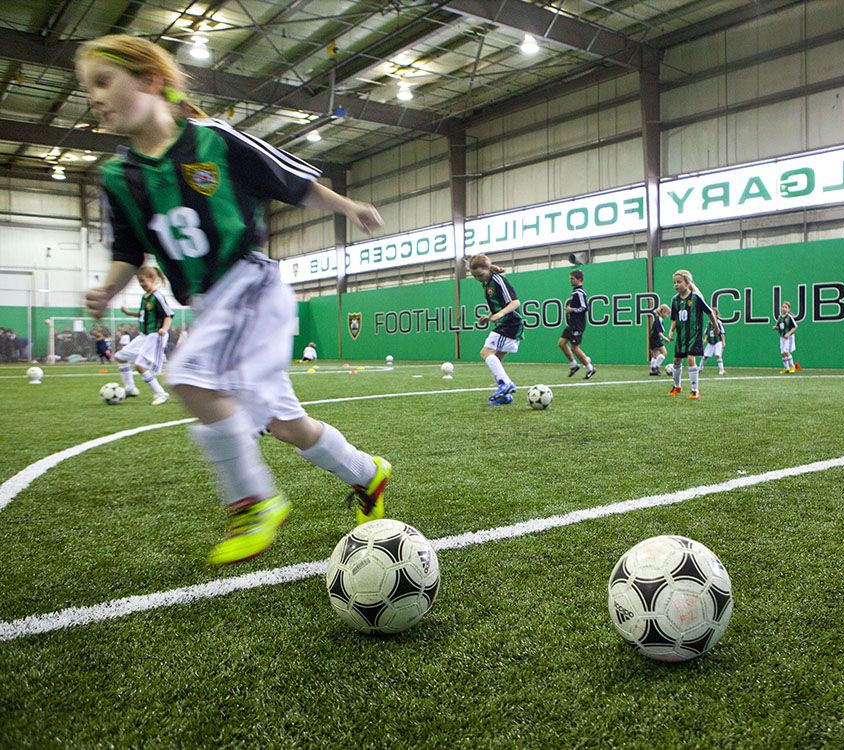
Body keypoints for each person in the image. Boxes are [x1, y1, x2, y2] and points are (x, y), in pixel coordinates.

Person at [77, 34, 391, 567]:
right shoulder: (118, 179)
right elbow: (128, 249)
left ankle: (253, 502)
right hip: (209, 305)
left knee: (189, 377)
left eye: (104, 82)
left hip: (252, 286)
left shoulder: (212, 141)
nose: (95, 98)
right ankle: (368, 474)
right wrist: (108, 287)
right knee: (286, 426)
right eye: (88, 90)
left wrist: (348, 206)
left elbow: (291, 183)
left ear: (150, 80)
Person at [467, 253, 523, 405]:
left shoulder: (497, 280)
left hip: (511, 323)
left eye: (480, 275)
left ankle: (506, 384)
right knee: (496, 360)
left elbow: (515, 303)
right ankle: (505, 396)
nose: (478, 278)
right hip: (505, 323)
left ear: (487, 269)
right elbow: (499, 306)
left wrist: (500, 314)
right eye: (475, 276)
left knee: (485, 352)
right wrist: (489, 316)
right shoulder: (487, 284)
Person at [117, 266, 174, 404]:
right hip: (143, 336)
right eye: (139, 281)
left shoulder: (157, 296)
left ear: (152, 278)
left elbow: (168, 315)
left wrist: (164, 329)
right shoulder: (145, 297)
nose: (141, 284)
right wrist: (128, 312)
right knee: (120, 357)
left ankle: (161, 393)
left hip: (155, 336)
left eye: (143, 281)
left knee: (140, 365)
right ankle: (130, 388)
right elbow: (143, 314)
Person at [665, 269, 719, 400]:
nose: (676, 285)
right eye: (674, 282)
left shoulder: (696, 297)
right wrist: (671, 331)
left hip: (694, 334)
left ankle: (695, 390)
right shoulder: (675, 300)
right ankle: (677, 386)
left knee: (690, 358)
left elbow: (709, 312)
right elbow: (674, 319)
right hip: (681, 336)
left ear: (687, 283)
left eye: (679, 282)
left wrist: (716, 326)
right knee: (676, 360)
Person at [557, 269, 596, 379]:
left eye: (572, 279)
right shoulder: (575, 292)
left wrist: (572, 310)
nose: (570, 280)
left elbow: (585, 307)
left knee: (574, 348)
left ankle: (590, 368)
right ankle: (574, 365)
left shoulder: (580, 292)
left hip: (578, 325)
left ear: (579, 279)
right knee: (561, 343)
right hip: (572, 324)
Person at [699, 306, 726, 375]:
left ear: (716, 315)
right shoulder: (708, 323)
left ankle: (722, 370)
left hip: (718, 341)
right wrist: (705, 340)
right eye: (711, 313)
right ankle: (700, 368)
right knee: (704, 356)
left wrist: (723, 342)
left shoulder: (719, 322)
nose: (712, 315)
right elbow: (707, 333)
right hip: (710, 342)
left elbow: (722, 333)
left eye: (714, 313)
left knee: (718, 355)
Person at [774, 301, 797, 374]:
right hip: (782, 337)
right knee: (782, 353)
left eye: (785, 307)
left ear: (788, 309)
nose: (784, 308)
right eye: (783, 307)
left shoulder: (789, 317)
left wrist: (788, 334)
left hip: (788, 337)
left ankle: (792, 366)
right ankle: (786, 368)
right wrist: (775, 327)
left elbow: (795, 327)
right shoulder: (780, 317)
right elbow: (779, 326)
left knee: (786, 351)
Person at [648, 304, 669, 375]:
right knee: (664, 352)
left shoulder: (658, 319)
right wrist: (665, 338)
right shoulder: (658, 320)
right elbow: (659, 332)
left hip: (653, 338)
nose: (667, 315)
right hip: (655, 339)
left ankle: (653, 370)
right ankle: (656, 367)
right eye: (667, 313)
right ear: (663, 312)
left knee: (655, 354)